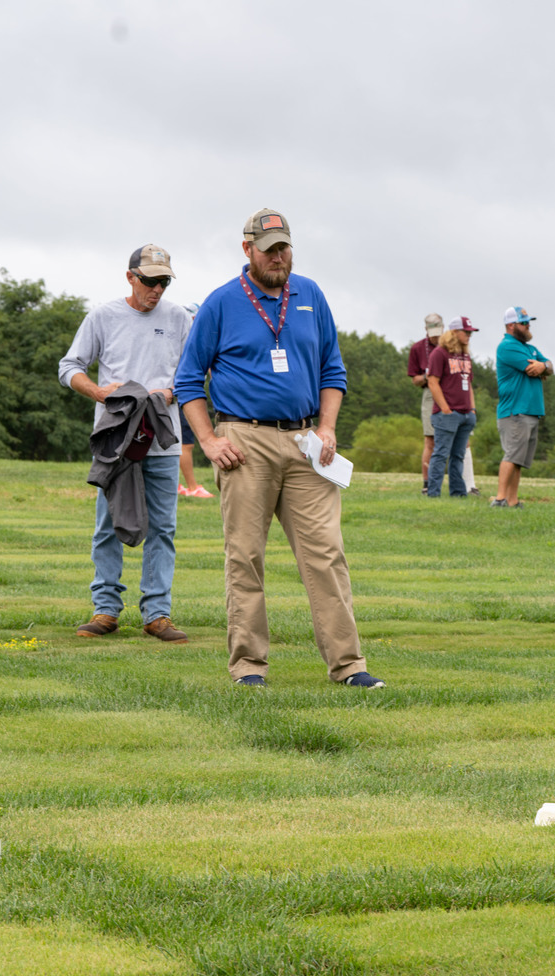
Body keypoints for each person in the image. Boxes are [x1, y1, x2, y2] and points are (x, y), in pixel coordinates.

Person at [173, 208, 384, 689]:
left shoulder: (310, 294)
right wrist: (208, 439)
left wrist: (328, 427)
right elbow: (188, 380)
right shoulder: (221, 303)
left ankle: (350, 666)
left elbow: (332, 369)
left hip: (308, 442)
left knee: (326, 555)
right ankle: (249, 666)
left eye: (284, 247)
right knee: (245, 555)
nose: (278, 256)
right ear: (247, 249)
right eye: (268, 249)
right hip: (244, 441)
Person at [59, 244, 194, 643]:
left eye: (164, 282)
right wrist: (101, 394)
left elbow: (192, 373)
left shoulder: (180, 318)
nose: (157, 290)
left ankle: (157, 613)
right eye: (150, 281)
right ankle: (105, 610)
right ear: (130, 276)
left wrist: (170, 393)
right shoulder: (103, 316)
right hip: (116, 439)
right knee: (107, 524)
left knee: (163, 527)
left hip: (163, 438)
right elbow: (70, 367)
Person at [492, 306, 554, 508]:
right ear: (511, 325)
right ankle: (500, 499)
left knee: (518, 460)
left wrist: (544, 366)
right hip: (515, 410)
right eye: (524, 323)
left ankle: (513, 501)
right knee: (512, 455)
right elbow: (530, 369)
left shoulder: (530, 348)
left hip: (530, 410)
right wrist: (542, 366)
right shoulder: (507, 346)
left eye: (529, 322)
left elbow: (548, 366)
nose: (528, 326)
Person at [425, 317, 479, 498]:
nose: (469, 335)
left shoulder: (465, 355)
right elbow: (432, 382)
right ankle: (433, 494)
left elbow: (469, 383)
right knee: (440, 454)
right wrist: (446, 409)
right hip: (447, 414)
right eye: (466, 332)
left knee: (458, 456)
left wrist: (472, 409)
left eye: (471, 332)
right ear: (454, 332)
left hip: (466, 414)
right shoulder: (439, 354)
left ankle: (458, 492)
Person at [176, 302, 212, 499]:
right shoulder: (186, 340)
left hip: (180, 395)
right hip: (183, 396)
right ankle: (192, 487)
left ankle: (180, 484)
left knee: (179, 444)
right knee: (185, 444)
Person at [408, 312, 443, 484]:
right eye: (433, 334)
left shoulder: (450, 344)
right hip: (429, 393)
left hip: (450, 391)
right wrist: (428, 375)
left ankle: (467, 484)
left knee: (462, 439)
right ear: (426, 330)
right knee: (430, 440)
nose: (436, 338)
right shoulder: (418, 348)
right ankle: (427, 483)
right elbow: (415, 379)